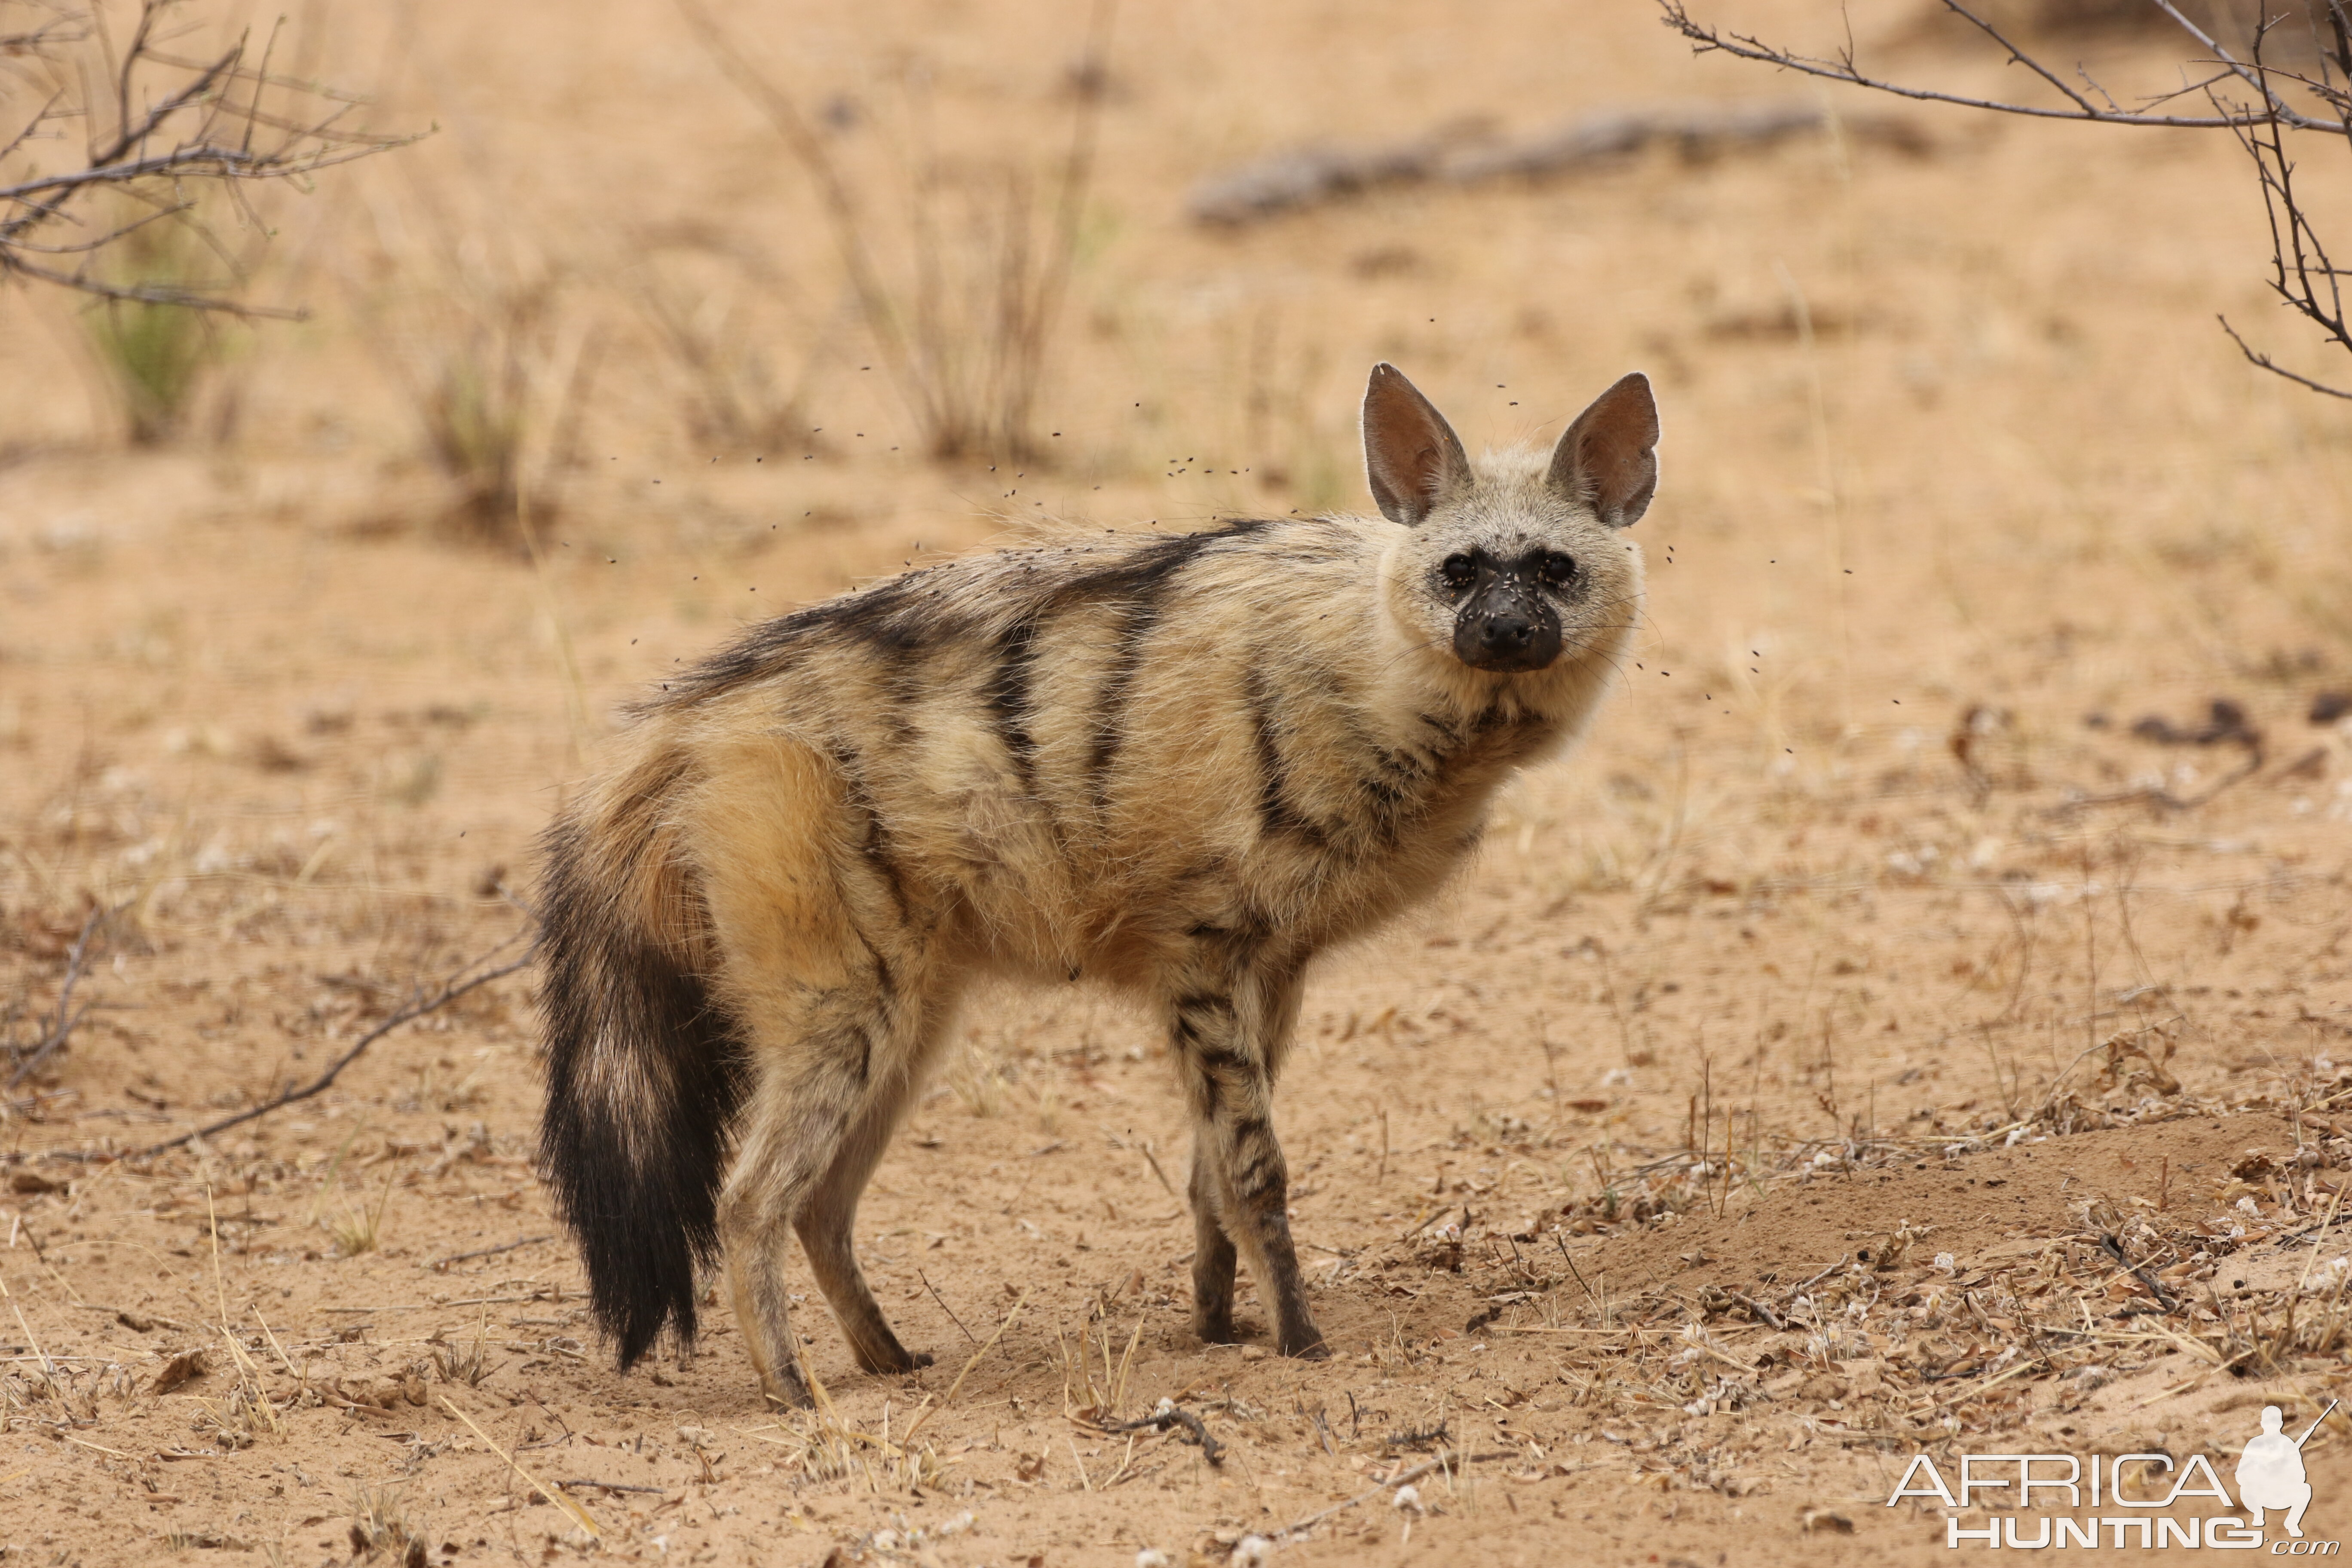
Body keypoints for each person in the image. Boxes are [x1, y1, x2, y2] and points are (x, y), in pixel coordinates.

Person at [2238, 1406, 2315, 1538]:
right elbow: (2240, 1476)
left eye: (2274, 1423)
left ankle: (2292, 1523)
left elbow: (2301, 1476)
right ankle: (2258, 1514)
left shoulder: (2288, 1444)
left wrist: (2283, 1469)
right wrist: (2261, 1471)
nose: (2271, 1427)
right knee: (2245, 1490)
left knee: (2305, 1489)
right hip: (2261, 1495)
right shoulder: (2254, 1444)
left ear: (2281, 1424)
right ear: (2262, 1424)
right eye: (2268, 1423)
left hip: (2283, 1494)